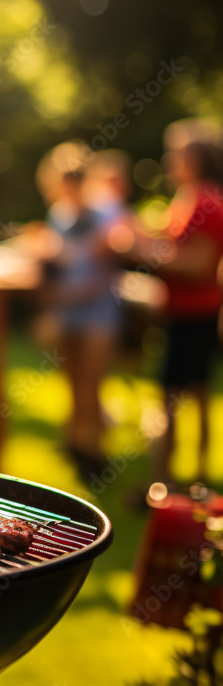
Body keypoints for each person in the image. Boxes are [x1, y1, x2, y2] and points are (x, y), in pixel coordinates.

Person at [124, 141, 223, 487]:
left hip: (192, 317)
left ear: (195, 159)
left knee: (171, 399)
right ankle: (195, 481)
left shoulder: (206, 202)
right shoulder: (189, 198)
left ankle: (162, 485)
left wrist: (140, 250)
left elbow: (199, 265)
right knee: (196, 392)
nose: (169, 159)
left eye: (176, 152)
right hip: (188, 314)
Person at [36, 142, 124, 479]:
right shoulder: (59, 215)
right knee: (73, 381)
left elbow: (108, 265)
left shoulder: (105, 214)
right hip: (67, 308)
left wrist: (76, 289)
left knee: (92, 381)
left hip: (98, 309)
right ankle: (76, 442)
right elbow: (55, 263)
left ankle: (94, 451)